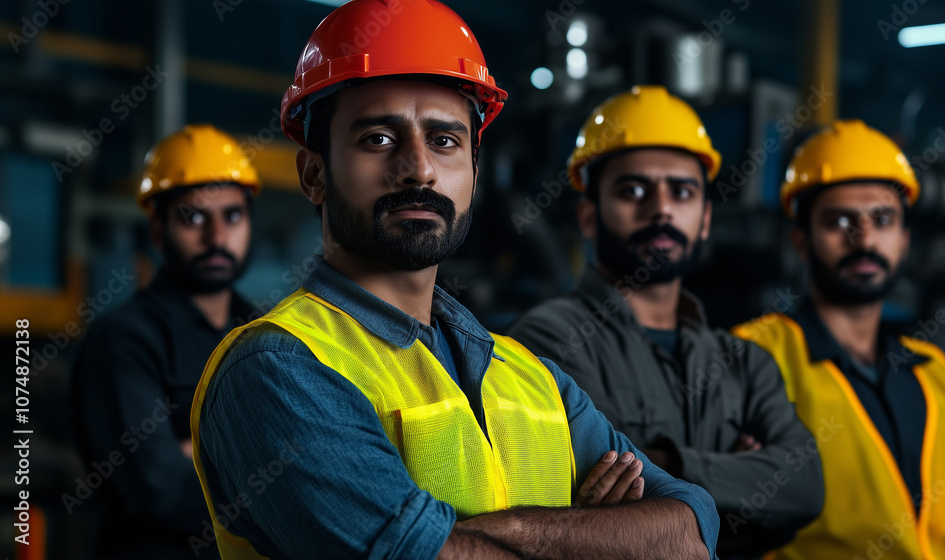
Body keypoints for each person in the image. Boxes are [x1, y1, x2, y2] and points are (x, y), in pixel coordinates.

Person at [189, 2, 720, 559]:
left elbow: (691, 529)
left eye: (444, 141)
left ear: (473, 171)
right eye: (378, 138)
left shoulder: (533, 376)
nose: (419, 169)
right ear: (314, 174)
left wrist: (512, 537)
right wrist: (595, 535)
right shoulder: (278, 368)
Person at [507, 85, 823, 558]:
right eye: (633, 190)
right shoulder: (546, 340)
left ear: (705, 219)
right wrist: (742, 486)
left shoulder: (744, 360)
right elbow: (583, 507)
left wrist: (662, 465)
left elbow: (805, 487)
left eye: (682, 191)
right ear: (589, 216)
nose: (661, 208)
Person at [732, 119, 945, 559]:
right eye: (839, 220)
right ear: (801, 241)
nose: (864, 238)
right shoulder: (752, 356)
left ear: (904, 239)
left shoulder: (940, 375)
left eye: (882, 219)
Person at [70, 124, 259, 559]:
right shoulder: (123, 341)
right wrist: (269, 467)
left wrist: (199, 453)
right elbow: (160, 488)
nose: (217, 237)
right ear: (157, 230)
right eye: (193, 217)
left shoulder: (264, 333)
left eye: (232, 216)